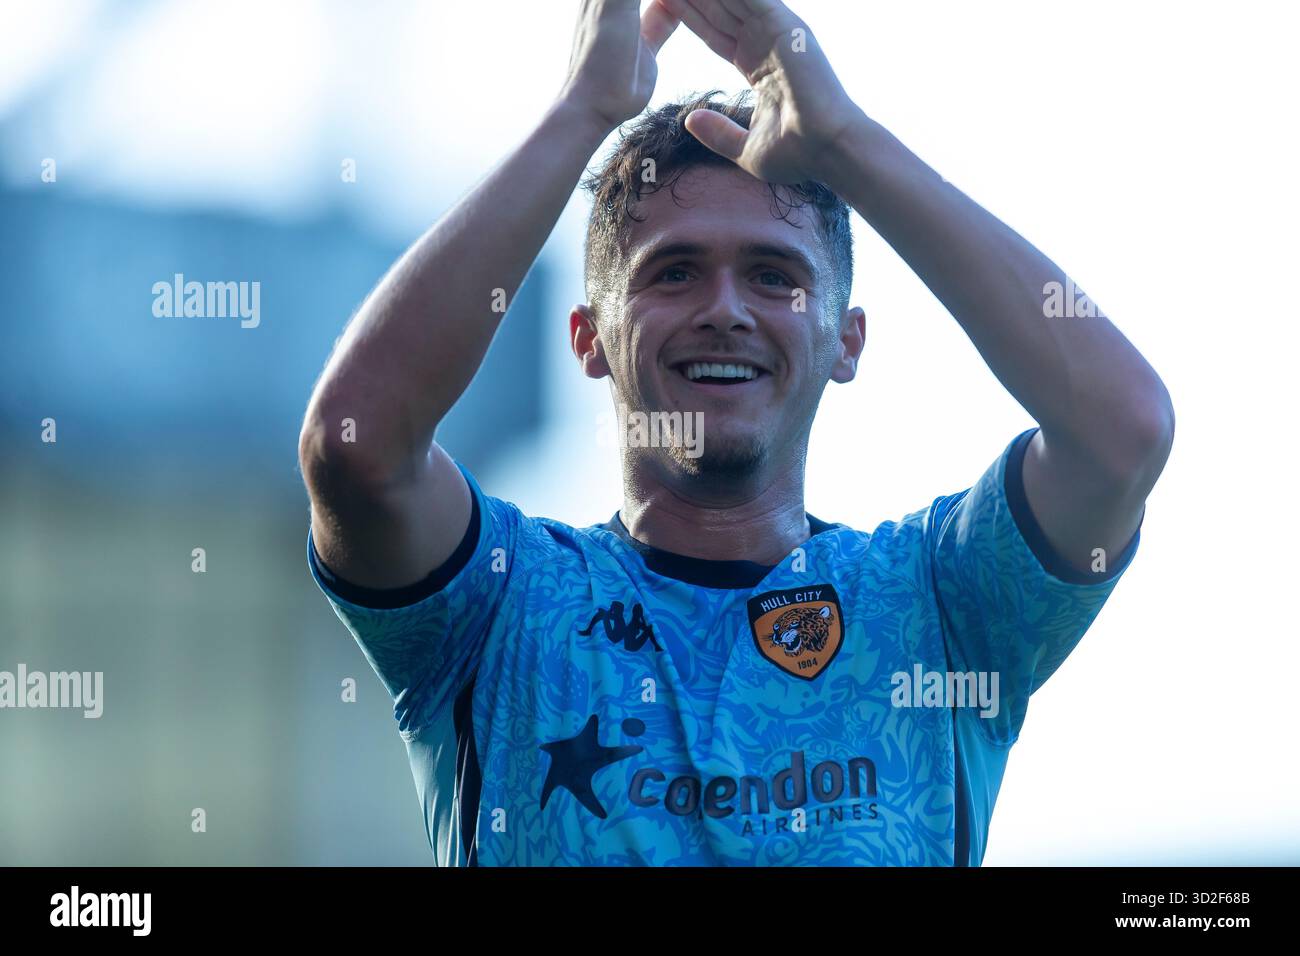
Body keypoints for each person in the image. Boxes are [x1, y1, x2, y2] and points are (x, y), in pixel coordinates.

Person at [297, 0, 1173, 865]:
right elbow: (354, 443)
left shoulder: (937, 605)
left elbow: (1123, 433)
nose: (724, 311)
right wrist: (580, 115)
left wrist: (844, 144)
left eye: (773, 275)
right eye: (673, 273)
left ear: (846, 341)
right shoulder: (501, 600)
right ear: (589, 339)